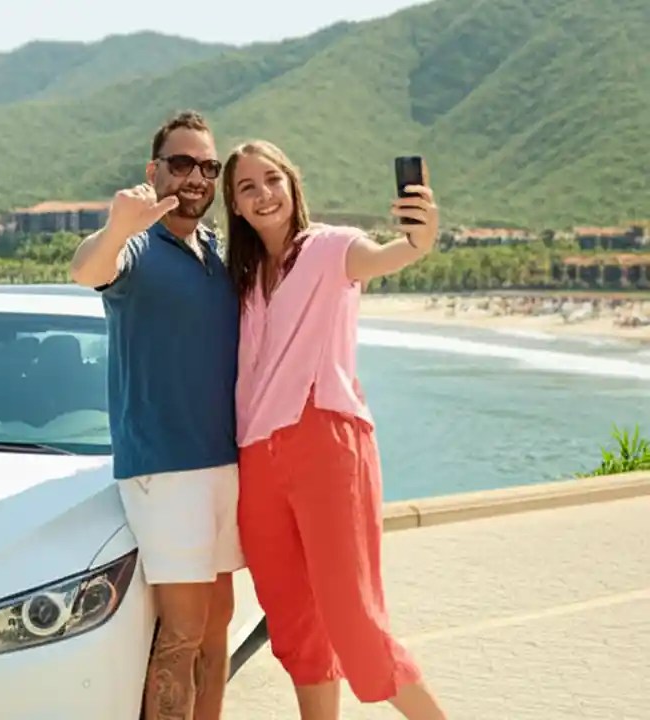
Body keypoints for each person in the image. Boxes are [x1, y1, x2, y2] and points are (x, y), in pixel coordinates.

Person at [222, 139, 447, 720]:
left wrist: (418, 238)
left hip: (324, 440)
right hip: (255, 458)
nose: (263, 194)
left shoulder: (330, 248)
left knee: (354, 623)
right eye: (247, 187)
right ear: (237, 207)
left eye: (272, 179)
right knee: (294, 624)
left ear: (292, 183)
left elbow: (385, 256)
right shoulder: (242, 279)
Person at [69, 110, 242, 720]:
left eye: (208, 166)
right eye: (182, 163)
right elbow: (87, 269)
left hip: (227, 465)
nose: (196, 176)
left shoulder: (218, 252)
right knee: (182, 634)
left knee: (218, 629)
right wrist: (117, 227)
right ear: (156, 170)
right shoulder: (138, 247)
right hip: (166, 471)